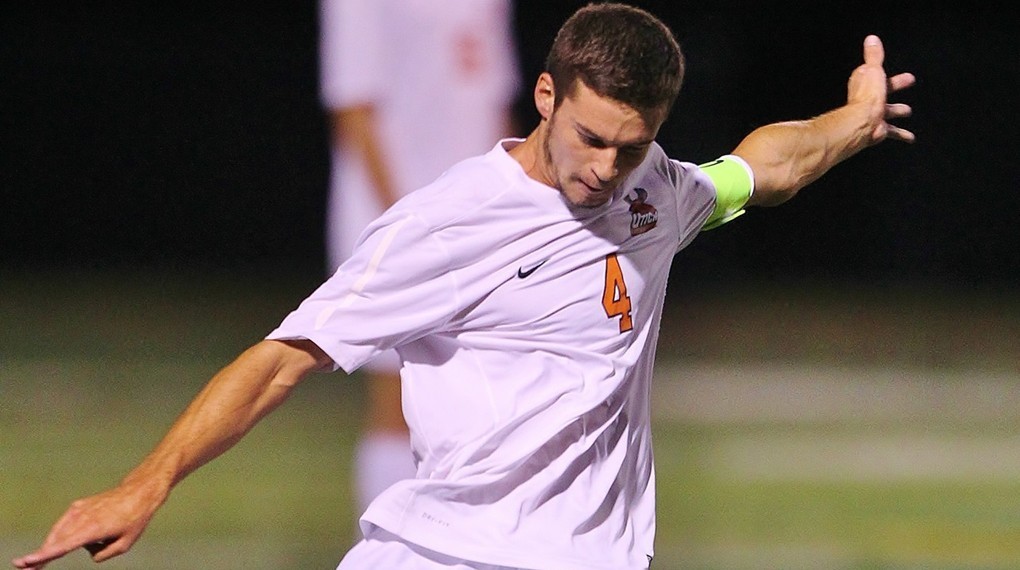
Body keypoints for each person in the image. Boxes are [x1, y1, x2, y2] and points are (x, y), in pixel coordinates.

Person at [12, 3, 915, 569]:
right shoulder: (448, 224)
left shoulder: (654, 192)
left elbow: (767, 166)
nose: (606, 168)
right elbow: (281, 358)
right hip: (437, 551)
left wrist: (854, 117)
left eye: (631, 144)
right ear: (546, 96)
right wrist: (147, 483)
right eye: (592, 137)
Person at [318, 0, 521, 520]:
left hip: (477, 220)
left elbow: (494, 99)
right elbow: (354, 110)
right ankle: (384, 547)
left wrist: (509, 202)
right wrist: (410, 224)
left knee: (481, 399)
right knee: (397, 400)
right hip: (395, 217)